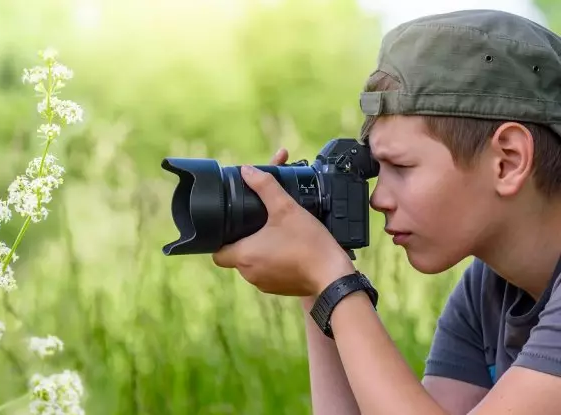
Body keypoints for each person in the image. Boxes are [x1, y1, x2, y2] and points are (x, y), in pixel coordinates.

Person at [211, 8, 561, 415]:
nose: (379, 199)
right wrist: (313, 279)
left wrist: (335, 283)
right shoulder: (488, 290)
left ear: (508, 160)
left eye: (401, 168)